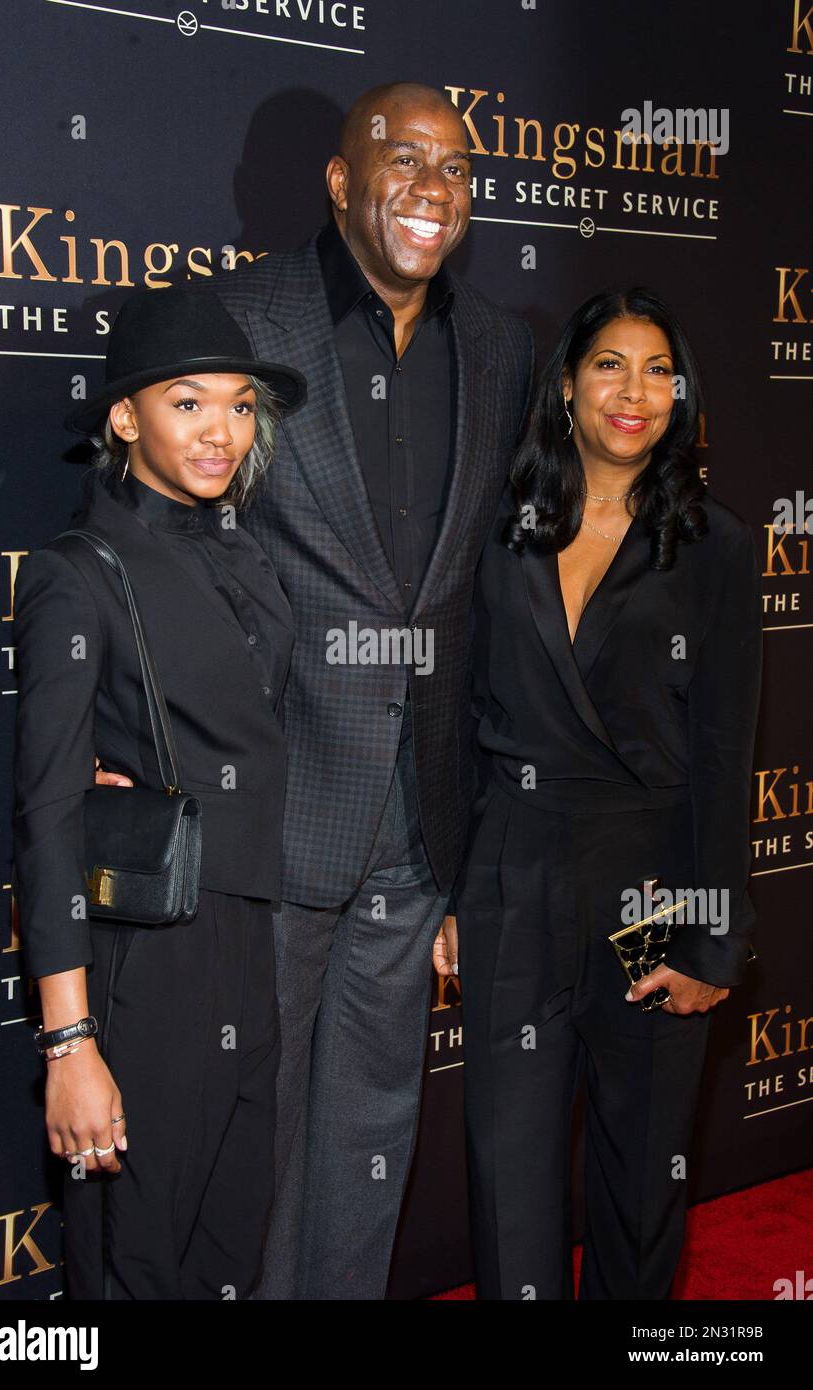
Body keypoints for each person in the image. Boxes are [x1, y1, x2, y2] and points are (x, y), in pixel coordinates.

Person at [162, 81, 532, 1300]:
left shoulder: (499, 348)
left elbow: (488, 599)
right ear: (338, 179)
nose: (432, 187)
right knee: (246, 1139)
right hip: (264, 813)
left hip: (417, 823)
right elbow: (165, 549)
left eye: (457, 166)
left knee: (369, 1140)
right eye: (402, 157)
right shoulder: (242, 317)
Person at [441, 288, 763, 1299]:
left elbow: (722, 753)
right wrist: (450, 884)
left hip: (651, 885)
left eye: (657, 368)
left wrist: (712, 936)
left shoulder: (716, 546)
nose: (635, 391)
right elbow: (449, 718)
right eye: (609, 366)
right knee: (511, 1174)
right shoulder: (495, 530)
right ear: (566, 388)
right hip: (515, 869)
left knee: (640, 1179)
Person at [12, 285, 306, 1299]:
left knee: (228, 1250)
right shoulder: (77, 573)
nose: (221, 430)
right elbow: (47, 813)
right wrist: (70, 1042)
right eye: (187, 403)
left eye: (237, 403)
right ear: (124, 417)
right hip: (148, 961)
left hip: (245, 943)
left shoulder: (243, 552)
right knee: (135, 1264)